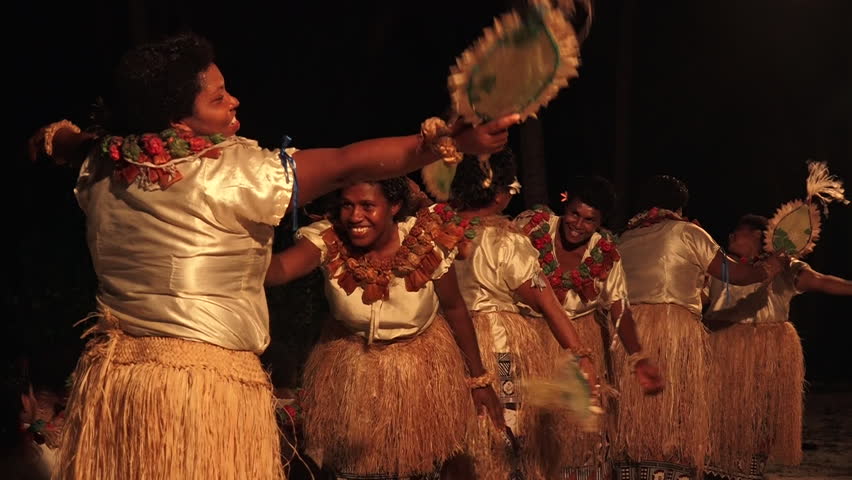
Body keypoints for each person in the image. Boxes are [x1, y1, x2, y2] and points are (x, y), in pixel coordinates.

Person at [35, 32, 518, 480]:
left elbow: (59, 141)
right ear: (175, 119)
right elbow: (347, 161)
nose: (234, 101)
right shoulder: (240, 173)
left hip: (116, 385)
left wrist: (59, 139)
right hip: (204, 390)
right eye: (218, 97)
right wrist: (447, 142)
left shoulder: (101, 161)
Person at [265, 177, 503, 479]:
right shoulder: (328, 239)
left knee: (415, 468)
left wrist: (479, 379)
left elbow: (455, 308)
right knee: (352, 468)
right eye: (347, 205)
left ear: (394, 206)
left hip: (419, 373)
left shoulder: (427, 243)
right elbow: (280, 270)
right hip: (350, 370)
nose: (354, 216)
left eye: (367, 206)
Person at [611, 175, 782, 480]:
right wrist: (770, 267)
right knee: (674, 410)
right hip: (673, 330)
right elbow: (736, 275)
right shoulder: (688, 232)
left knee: (638, 413)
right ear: (678, 206)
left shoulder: (624, 238)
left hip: (630, 331)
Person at [444, 152, 602, 479]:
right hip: (497, 349)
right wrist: (581, 355)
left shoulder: (438, 232)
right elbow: (547, 303)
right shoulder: (505, 240)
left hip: (444, 346)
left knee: (457, 438)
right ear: (501, 194)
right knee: (503, 431)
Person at [513, 175, 663, 480]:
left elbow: (620, 309)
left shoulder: (605, 255)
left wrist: (638, 357)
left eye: (589, 220)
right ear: (565, 206)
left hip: (579, 342)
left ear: (601, 223)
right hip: (529, 337)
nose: (577, 225)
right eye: (574, 214)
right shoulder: (532, 231)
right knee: (528, 425)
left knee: (573, 434)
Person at [703, 214, 852, 480]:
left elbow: (822, 281)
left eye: (741, 232)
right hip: (721, 347)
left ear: (762, 238)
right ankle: (716, 470)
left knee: (760, 416)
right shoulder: (718, 265)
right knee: (719, 415)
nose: (732, 237)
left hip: (768, 351)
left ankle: (750, 471)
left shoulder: (787, 268)